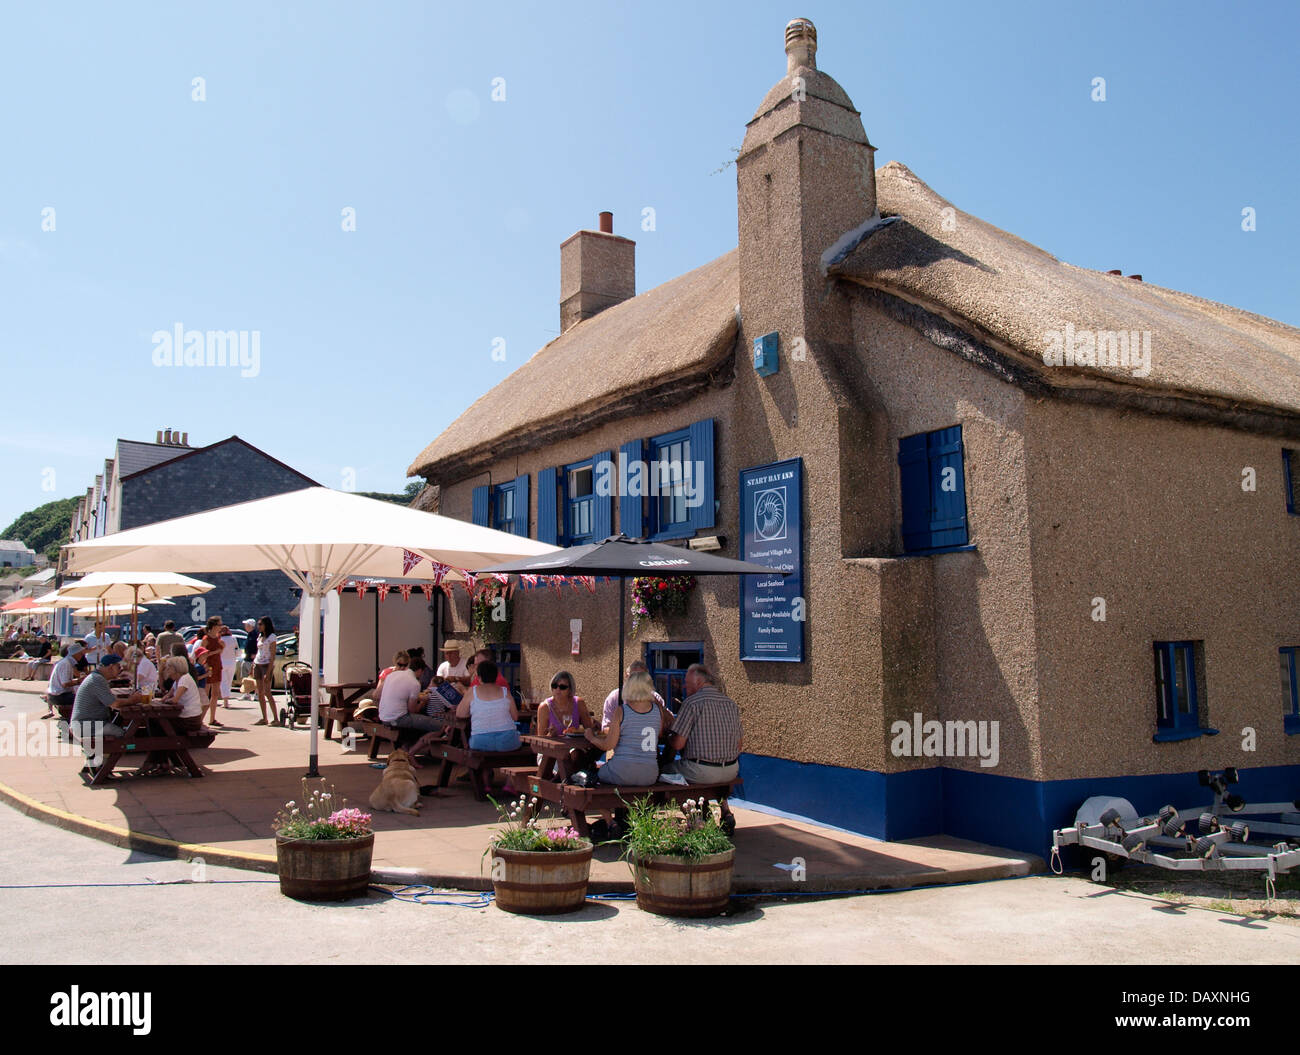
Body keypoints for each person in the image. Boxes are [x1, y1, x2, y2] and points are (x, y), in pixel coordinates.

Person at [661, 664, 742, 827]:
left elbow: (678, 744)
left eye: (687, 682)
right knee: (698, 772)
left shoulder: (692, 703)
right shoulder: (731, 704)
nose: (684, 686)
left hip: (702, 771)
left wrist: (667, 736)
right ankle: (723, 811)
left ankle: (698, 820)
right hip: (732, 770)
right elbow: (740, 745)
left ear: (698, 682)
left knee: (664, 773)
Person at [584, 671, 664, 786]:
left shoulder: (622, 710)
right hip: (650, 774)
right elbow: (659, 734)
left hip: (623, 771)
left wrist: (591, 737)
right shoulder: (658, 710)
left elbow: (608, 745)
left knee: (595, 772)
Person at [70, 654, 145, 749]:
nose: (120, 669)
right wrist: (133, 700)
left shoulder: (96, 677)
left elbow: (112, 702)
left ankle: (104, 759)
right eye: (118, 667)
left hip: (84, 724)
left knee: (124, 731)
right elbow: (114, 704)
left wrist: (129, 700)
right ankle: (112, 758)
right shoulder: (97, 679)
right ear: (111, 666)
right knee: (124, 736)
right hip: (87, 725)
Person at [456, 659, 520, 751]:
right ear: (496, 675)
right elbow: (515, 717)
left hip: (480, 741)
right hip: (507, 741)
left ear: (479, 677)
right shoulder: (505, 692)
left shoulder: (472, 691)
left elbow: (460, 714)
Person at [601, 660, 669, 731]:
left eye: (641, 677)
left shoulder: (654, 697)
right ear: (626, 677)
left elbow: (669, 723)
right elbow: (606, 728)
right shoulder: (615, 697)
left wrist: (658, 704)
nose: (637, 681)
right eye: (633, 677)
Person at [158, 656, 205, 733]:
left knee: (160, 724)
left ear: (175, 669)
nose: (167, 670)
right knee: (159, 722)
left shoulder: (184, 679)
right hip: (186, 717)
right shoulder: (178, 680)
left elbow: (174, 700)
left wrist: (166, 700)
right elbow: (167, 695)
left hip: (190, 720)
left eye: (169, 668)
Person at [537, 671, 592, 735]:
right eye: (554, 686)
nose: (558, 689)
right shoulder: (545, 707)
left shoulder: (578, 703)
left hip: (575, 744)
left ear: (570, 689)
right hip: (554, 744)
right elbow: (541, 738)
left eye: (562, 687)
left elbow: (589, 729)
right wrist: (550, 735)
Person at [46, 641, 87, 716]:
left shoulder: (67, 662)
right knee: (86, 698)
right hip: (59, 696)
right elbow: (65, 684)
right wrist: (78, 681)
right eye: (81, 654)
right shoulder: (66, 664)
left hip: (57, 694)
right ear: (76, 654)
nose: (82, 656)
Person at [252, 617, 277, 726]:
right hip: (258, 663)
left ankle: (276, 718)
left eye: (260, 624)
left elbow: (272, 655)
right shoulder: (260, 636)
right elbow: (259, 651)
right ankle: (264, 718)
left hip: (267, 664)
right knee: (260, 692)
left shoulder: (272, 637)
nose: (259, 626)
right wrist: (253, 664)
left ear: (266, 624)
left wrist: (269, 670)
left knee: (267, 692)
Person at [218, 622, 238, 708]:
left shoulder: (220, 639)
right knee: (229, 681)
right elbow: (237, 649)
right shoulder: (233, 638)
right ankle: (227, 700)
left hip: (222, 661)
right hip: (232, 661)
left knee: (223, 681)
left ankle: (225, 701)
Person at [240, 619, 258, 697]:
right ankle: (246, 693)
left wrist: (255, 654)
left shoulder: (255, 635)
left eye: (246, 625)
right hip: (246, 658)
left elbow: (257, 645)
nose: (245, 626)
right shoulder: (249, 634)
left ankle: (256, 694)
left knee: (254, 677)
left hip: (252, 660)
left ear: (250, 626)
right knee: (245, 676)